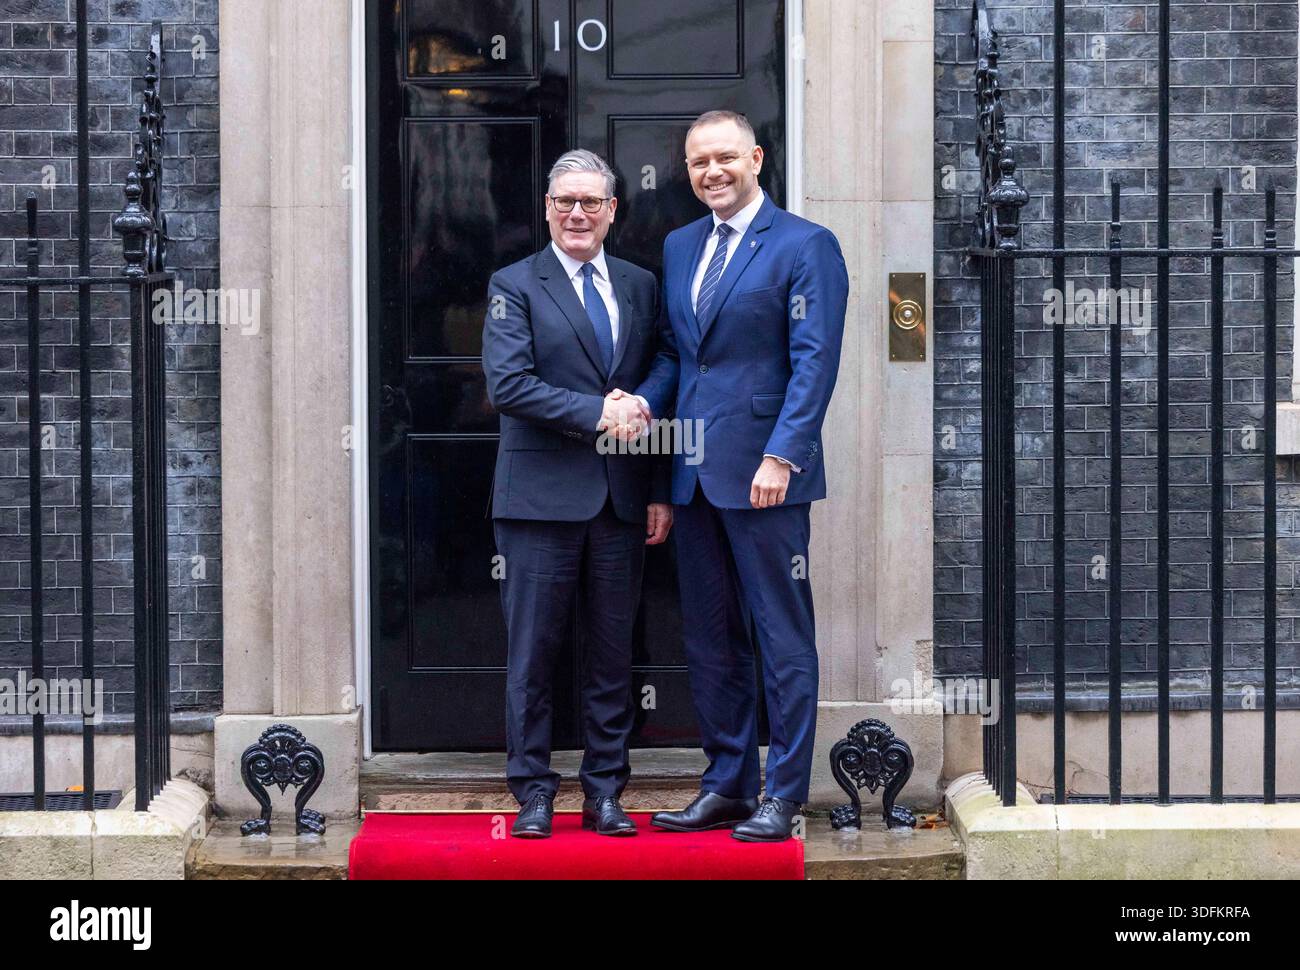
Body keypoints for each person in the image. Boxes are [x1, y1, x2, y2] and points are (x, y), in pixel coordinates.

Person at [632, 110, 849, 842]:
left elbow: (815, 362)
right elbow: (677, 357)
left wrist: (782, 456)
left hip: (766, 478)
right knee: (710, 640)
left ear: (756, 158)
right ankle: (727, 783)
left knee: (781, 638)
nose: (712, 172)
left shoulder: (806, 245)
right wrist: (644, 414)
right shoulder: (680, 244)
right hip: (693, 477)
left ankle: (784, 795)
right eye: (698, 162)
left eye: (726, 157)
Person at [482, 149, 673, 839]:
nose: (577, 213)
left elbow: (662, 364)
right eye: (565, 201)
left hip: (622, 501)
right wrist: (600, 413)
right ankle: (533, 790)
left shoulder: (639, 284)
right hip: (538, 502)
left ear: (613, 211)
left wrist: (654, 474)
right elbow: (508, 385)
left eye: (591, 202)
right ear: (546, 207)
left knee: (611, 653)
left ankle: (605, 791)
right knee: (533, 655)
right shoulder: (514, 283)